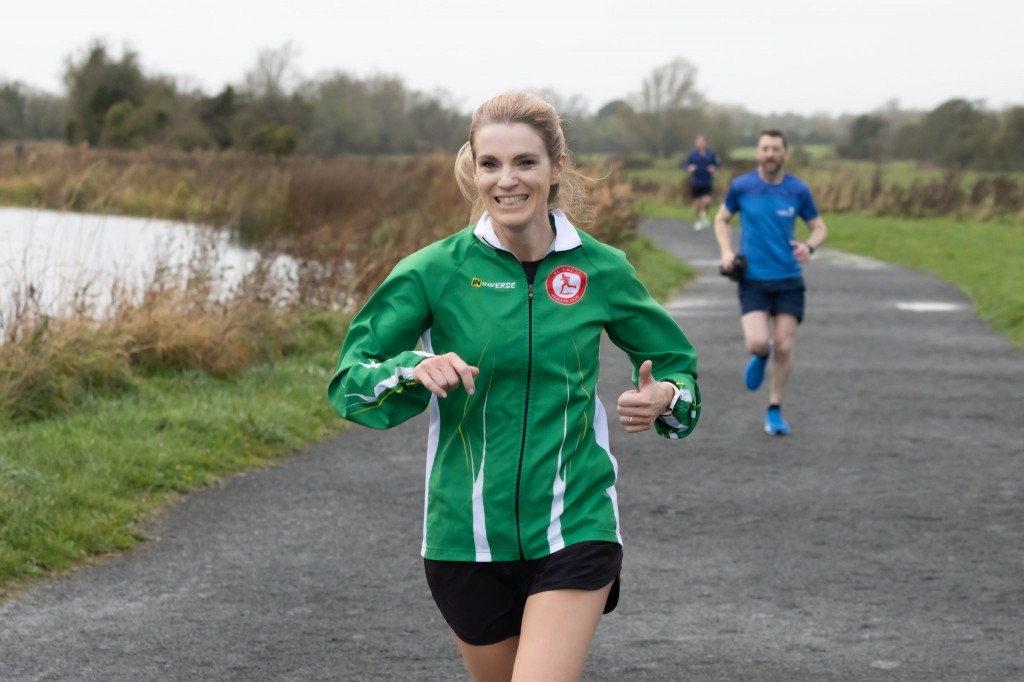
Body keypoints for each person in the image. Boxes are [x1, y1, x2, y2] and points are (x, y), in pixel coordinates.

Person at [328, 91, 701, 682]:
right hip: (464, 538)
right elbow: (349, 383)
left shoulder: (601, 270)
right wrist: (412, 370)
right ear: (474, 171)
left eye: (525, 162)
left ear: (555, 167)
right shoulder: (434, 270)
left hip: (575, 521)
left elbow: (676, 363)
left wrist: (665, 397)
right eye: (490, 164)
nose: (507, 180)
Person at [713, 129, 826, 436]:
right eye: (765, 149)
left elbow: (819, 227)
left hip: (789, 279)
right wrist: (726, 252)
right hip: (753, 279)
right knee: (758, 342)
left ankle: (774, 409)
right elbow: (721, 219)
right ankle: (760, 356)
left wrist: (810, 246)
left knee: (786, 347)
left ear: (785, 154)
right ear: (758, 153)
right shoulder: (742, 187)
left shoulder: (797, 190)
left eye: (776, 149)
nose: (770, 154)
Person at [681, 134, 719, 230]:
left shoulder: (711, 153)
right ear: (696, 143)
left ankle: (704, 215)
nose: (700, 144)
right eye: (698, 142)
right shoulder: (692, 154)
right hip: (696, 181)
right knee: (697, 203)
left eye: (702, 142)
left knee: (708, 202)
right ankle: (698, 221)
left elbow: (717, 164)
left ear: (706, 142)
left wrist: (713, 167)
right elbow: (685, 164)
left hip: (707, 181)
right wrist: (689, 167)